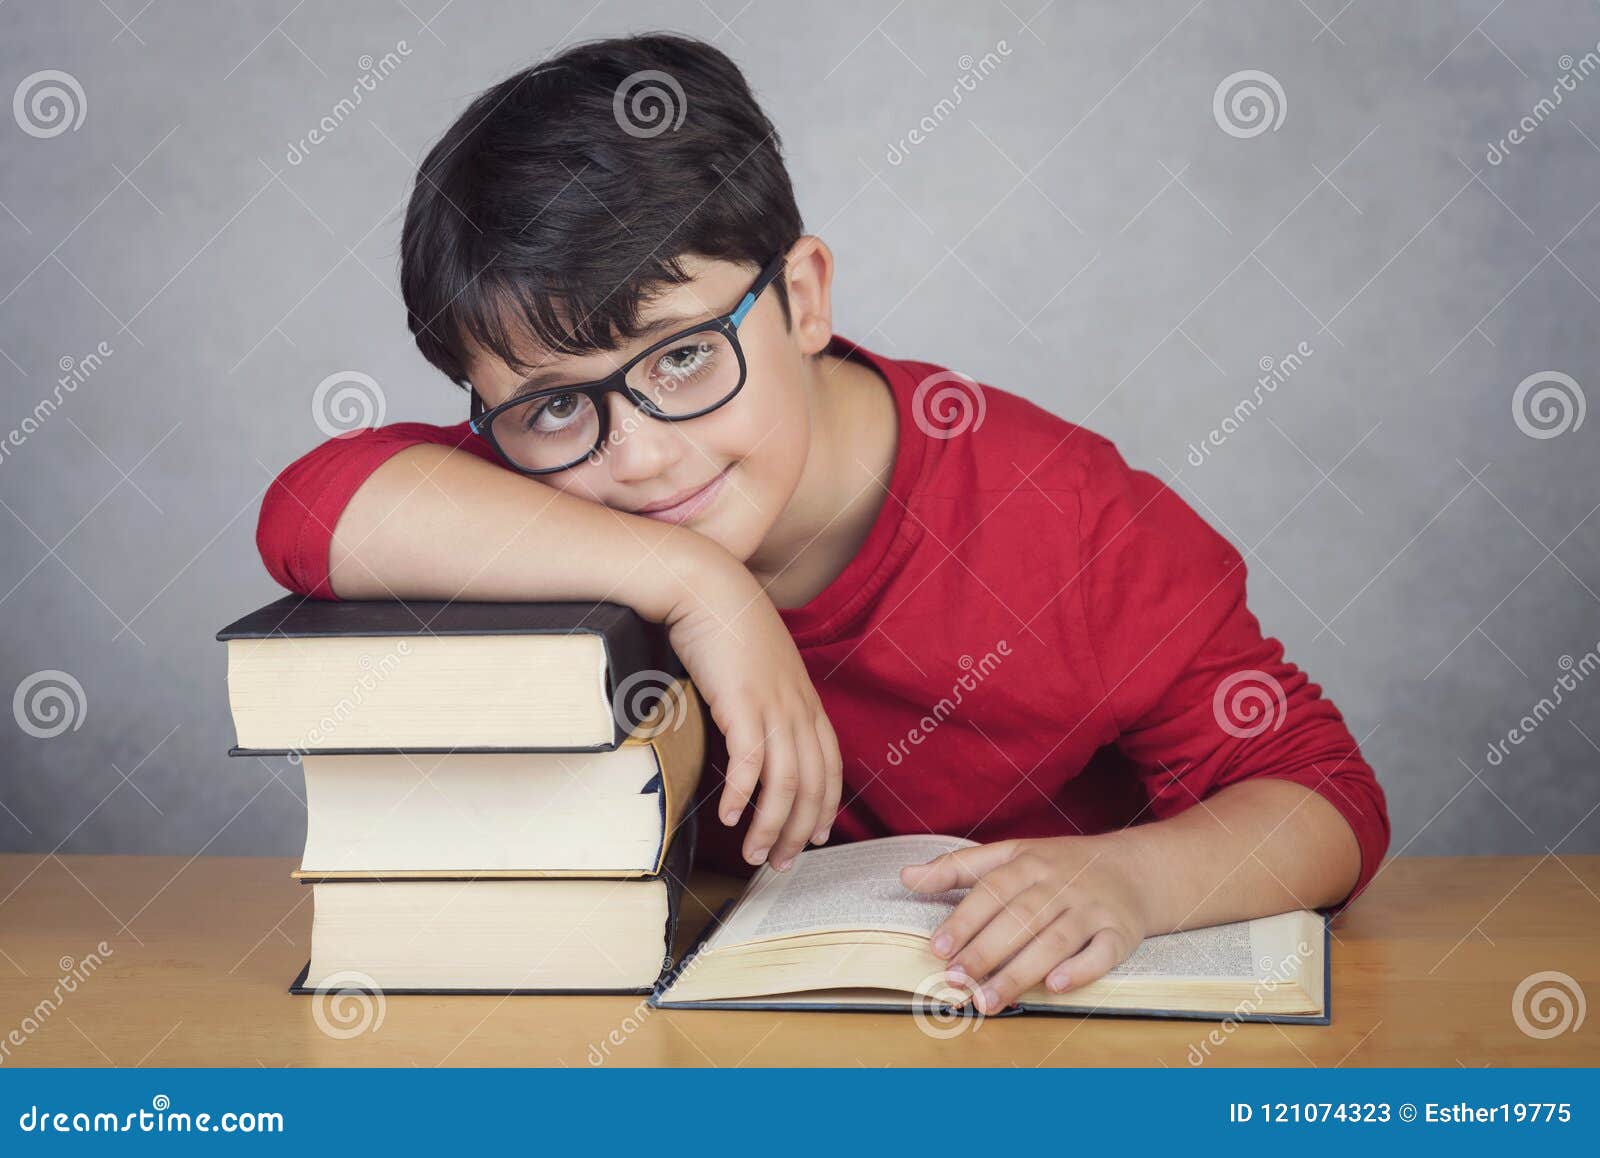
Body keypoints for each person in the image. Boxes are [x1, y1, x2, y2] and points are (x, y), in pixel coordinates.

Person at [256, 33, 1388, 1013]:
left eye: (685, 355)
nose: (638, 455)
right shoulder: (544, 486)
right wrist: (703, 588)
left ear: (802, 297)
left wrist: (1136, 882)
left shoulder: (1064, 516)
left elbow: (1321, 792)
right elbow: (309, 509)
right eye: (556, 403)